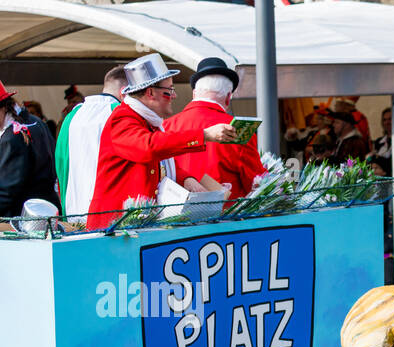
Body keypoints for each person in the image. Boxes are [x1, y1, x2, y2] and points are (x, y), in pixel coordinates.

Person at [86, 54, 235, 229]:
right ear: (150, 93)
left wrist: (186, 178)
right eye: (169, 90)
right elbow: (149, 147)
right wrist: (203, 135)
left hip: (131, 226)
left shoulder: (147, 121)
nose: (174, 95)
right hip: (114, 227)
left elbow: (161, 162)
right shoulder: (122, 119)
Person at [165, 58, 265, 203]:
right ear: (228, 97)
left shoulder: (165, 127)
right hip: (226, 220)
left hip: (175, 220)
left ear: (194, 94)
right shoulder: (238, 129)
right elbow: (257, 184)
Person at [0, 76, 59, 218]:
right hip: (49, 208)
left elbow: (8, 190)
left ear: (2, 106)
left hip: (28, 215)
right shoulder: (36, 122)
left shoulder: (12, 137)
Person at [55, 65, 125, 221]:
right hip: (110, 217)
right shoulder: (122, 114)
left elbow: (60, 163)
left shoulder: (71, 116)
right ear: (125, 92)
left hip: (74, 213)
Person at [327, 99, 368, 164]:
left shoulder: (355, 143)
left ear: (347, 125)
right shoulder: (340, 140)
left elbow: (349, 166)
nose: (333, 125)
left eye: (337, 122)